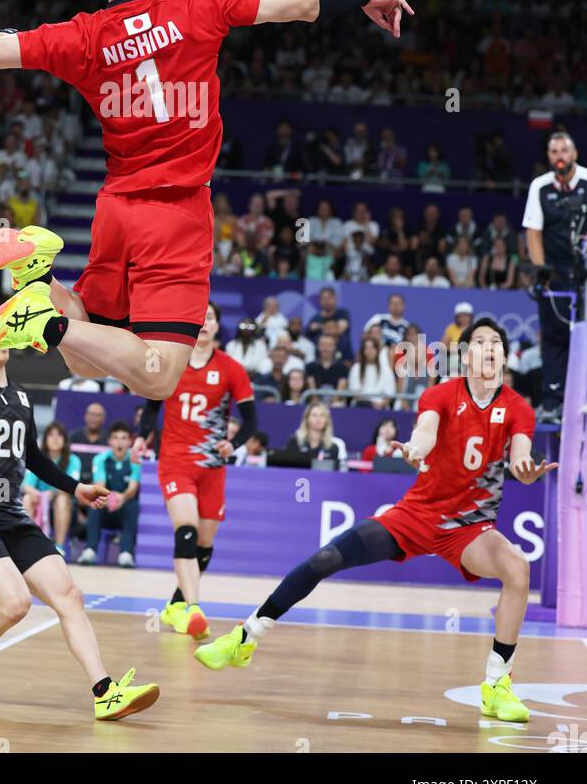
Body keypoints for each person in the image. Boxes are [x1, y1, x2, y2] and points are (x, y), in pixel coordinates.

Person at [0, 0, 411, 400]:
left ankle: (37, 275)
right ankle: (44, 323)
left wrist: (26, 38)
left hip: (116, 210)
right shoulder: (202, 3)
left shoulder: (81, 37)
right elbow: (301, 5)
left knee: (90, 365)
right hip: (175, 214)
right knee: (158, 376)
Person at [197, 317, 553, 728]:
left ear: (504, 357)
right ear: (466, 356)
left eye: (495, 343)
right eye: (479, 342)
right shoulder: (441, 393)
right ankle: (246, 636)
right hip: (416, 515)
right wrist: (416, 450)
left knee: (517, 568)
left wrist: (524, 468)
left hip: (470, 528)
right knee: (328, 558)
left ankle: (496, 685)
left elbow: (522, 451)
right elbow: (425, 431)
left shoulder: (517, 407)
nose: (488, 348)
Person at [0, 300, 158, 720]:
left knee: (70, 597)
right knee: (16, 604)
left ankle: (104, 692)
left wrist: (74, 487)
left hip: (13, 517)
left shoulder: (21, 397)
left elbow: (34, 458)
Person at [132, 301, 255, 636]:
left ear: (216, 327)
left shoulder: (232, 368)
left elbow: (251, 420)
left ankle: (174, 605)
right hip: (175, 461)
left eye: (210, 318)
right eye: (199, 318)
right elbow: (152, 405)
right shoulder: (174, 363)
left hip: (212, 466)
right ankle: (194, 608)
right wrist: (142, 438)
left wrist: (234, 444)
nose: (204, 324)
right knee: (185, 531)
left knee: (203, 544)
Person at [522, 130, 587, 418]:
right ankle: (552, 401)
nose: (559, 156)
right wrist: (541, 272)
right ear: (549, 157)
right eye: (554, 151)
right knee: (553, 336)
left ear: (574, 154)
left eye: (564, 150)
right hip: (555, 271)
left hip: (584, 266)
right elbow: (533, 233)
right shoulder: (539, 186)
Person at [78, 421, 142, 568]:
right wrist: (108, 498)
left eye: (124, 438)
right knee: (95, 503)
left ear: (130, 441)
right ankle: (90, 550)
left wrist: (122, 497)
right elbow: (99, 485)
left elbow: (133, 489)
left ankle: (126, 553)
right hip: (105, 507)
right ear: (110, 441)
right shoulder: (100, 459)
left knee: (133, 504)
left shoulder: (135, 461)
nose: (119, 442)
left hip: (124, 509)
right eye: (115, 437)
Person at [22, 420, 81, 558]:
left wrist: (52, 494)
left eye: (59, 435)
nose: (55, 439)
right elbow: (27, 485)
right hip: (39, 503)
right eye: (51, 435)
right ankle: (26, 545)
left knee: (62, 499)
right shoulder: (37, 459)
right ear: (45, 439)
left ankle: (59, 547)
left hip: (64, 508)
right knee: (27, 498)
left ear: (65, 440)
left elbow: (72, 485)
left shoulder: (73, 460)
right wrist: (37, 494)